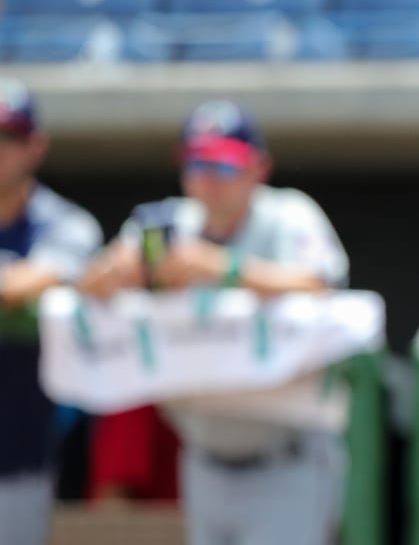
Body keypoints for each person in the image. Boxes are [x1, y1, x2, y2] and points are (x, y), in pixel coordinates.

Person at [77, 99, 350, 545]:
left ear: (258, 168)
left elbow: (323, 284)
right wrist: (115, 273)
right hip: (204, 459)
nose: (209, 180)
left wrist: (224, 268)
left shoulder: (287, 214)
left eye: (224, 166)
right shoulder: (163, 224)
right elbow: (88, 286)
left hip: (285, 460)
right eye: (198, 164)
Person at [0, 77, 104, 545]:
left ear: (35, 146)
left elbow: (68, 264)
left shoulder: (61, 221)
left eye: (8, 138)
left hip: (18, 464)